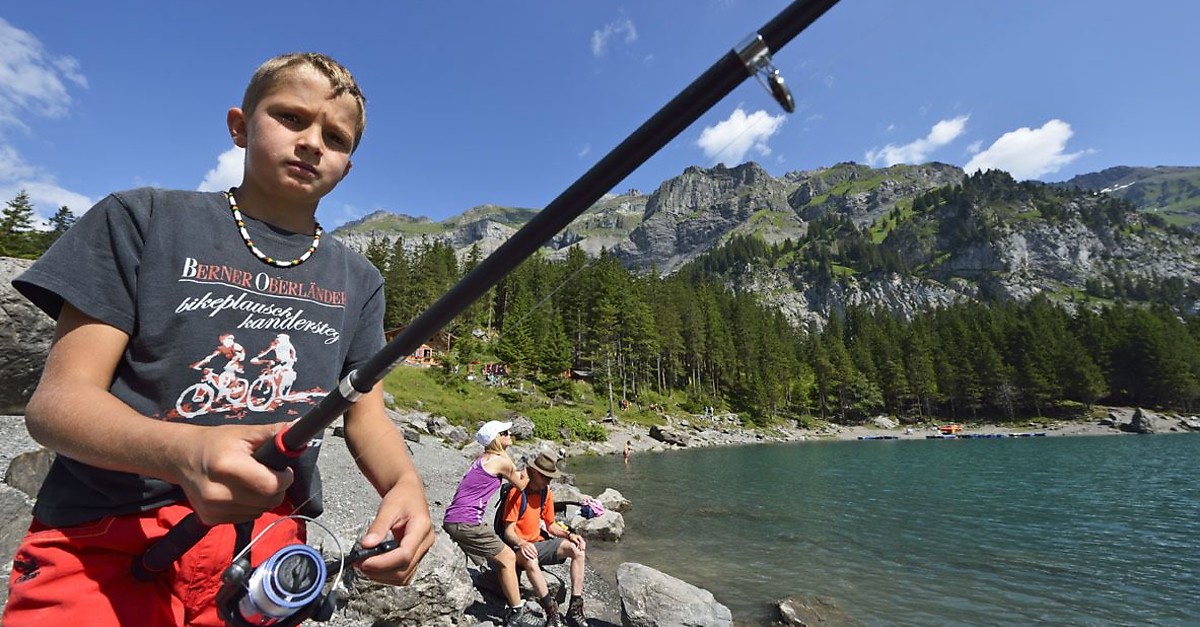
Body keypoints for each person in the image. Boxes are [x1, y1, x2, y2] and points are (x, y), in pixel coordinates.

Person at [3, 52, 434, 626]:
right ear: (239, 125)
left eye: (336, 135)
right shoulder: (141, 219)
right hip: (105, 537)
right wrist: (185, 453)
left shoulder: (362, 281)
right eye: (290, 117)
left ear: (348, 165)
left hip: (267, 552)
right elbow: (57, 405)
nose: (312, 142)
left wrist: (406, 485)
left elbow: (365, 416)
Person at [443, 421, 539, 627]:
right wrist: (530, 471)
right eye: (506, 433)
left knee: (497, 556)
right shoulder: (500, 462)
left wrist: (506, 452)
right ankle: (517, 613)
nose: (510, 434)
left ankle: (502, 592)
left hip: (454, 519)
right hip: (466, 522)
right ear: (497, 438)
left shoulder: (483, 459)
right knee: (508, 557)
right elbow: (521, 484)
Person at [500, 452, 589, 627]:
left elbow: (551, 525)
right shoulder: (516, 493)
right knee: (531, 559)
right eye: (545, 477)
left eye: (550, 477)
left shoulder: (545, 492)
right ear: (534, 472)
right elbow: (508, 532)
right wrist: (522, 543)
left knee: (577, 550)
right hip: (518, 549)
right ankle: (552, 613)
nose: (549, 481)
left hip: (539, 543)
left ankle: (575, 608)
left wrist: (570, 535)